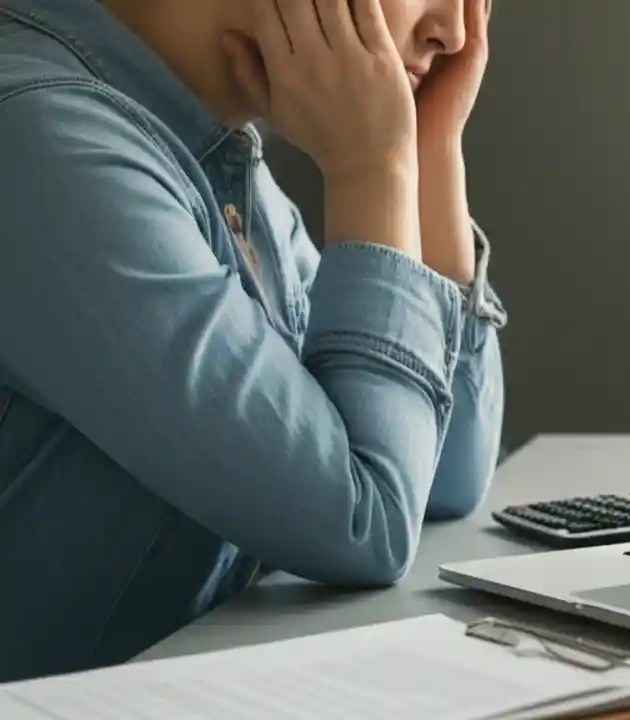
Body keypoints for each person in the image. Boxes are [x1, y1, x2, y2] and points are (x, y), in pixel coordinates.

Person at [0, 0, 506, 682]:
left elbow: (448, 470)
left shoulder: (200, 147)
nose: (452, 30)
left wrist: (427, 147)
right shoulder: (40, 140)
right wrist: (373, 168)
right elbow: (366, 524)